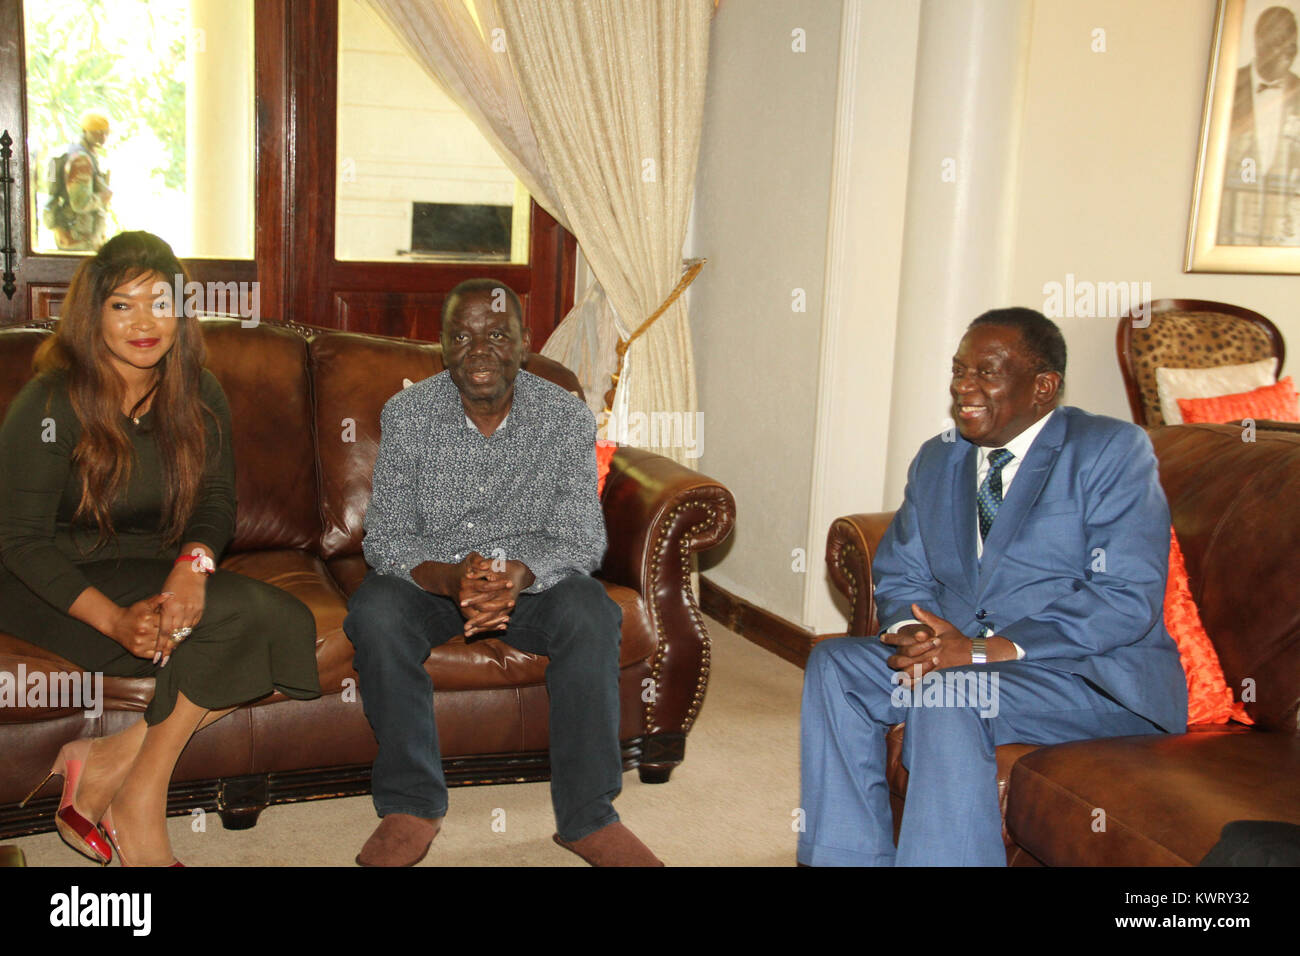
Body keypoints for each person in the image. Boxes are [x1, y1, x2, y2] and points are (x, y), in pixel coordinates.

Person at [798, 307, 1188, 866]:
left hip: (1087, 677)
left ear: (1043, 387)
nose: (964, 387)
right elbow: (903, 571)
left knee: (948, 690)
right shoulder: (939, 458)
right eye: (959, 370)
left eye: (987, 372)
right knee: (835, 666)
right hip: (975, 662)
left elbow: (1126, 595)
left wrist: (979, 651)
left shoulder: (1109, 450)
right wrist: (914, 631)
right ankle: (844, 858)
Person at [0, 231, 321, 866]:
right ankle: (140, 809)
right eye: (123, 305)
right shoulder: (52, 400)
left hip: (145, 567)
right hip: (45, 582)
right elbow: (19, 539)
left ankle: (117, 768)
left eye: (160, 302)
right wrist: (115, 620)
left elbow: (215, 504)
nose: (145, 323)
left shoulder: (198, 392)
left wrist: (192, 568)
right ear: (93, 316)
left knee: (285, 618)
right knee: (238, 631)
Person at [344, 278, 661, 867]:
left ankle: (588, 817)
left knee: (592, 610)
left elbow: (582, 537)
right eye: (462, 336)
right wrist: (448, 579)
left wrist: (518, 572)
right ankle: (412, 805)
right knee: (375, 611)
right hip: (436, 580)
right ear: (442, 346)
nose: (480, 350)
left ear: (524, 343)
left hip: (530, 583)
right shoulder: (409, 413)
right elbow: (386, 537)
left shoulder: (564, 416)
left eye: (497, 335)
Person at [1220, 6, 1300, 246]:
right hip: (1230, 235)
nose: (1288, 53)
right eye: (1278, 43)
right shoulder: (1225, 89)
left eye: (1292, 45)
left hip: (1284, 240)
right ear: (1259, 43)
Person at [45, 112, 113, 252]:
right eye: (97, 133)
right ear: (84, 131)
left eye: (105, 132)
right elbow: (80, 204)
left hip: (74, 233)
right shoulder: (81, 159)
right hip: (79, 236)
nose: (102, 137)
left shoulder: (77, 152)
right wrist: (103, 197)